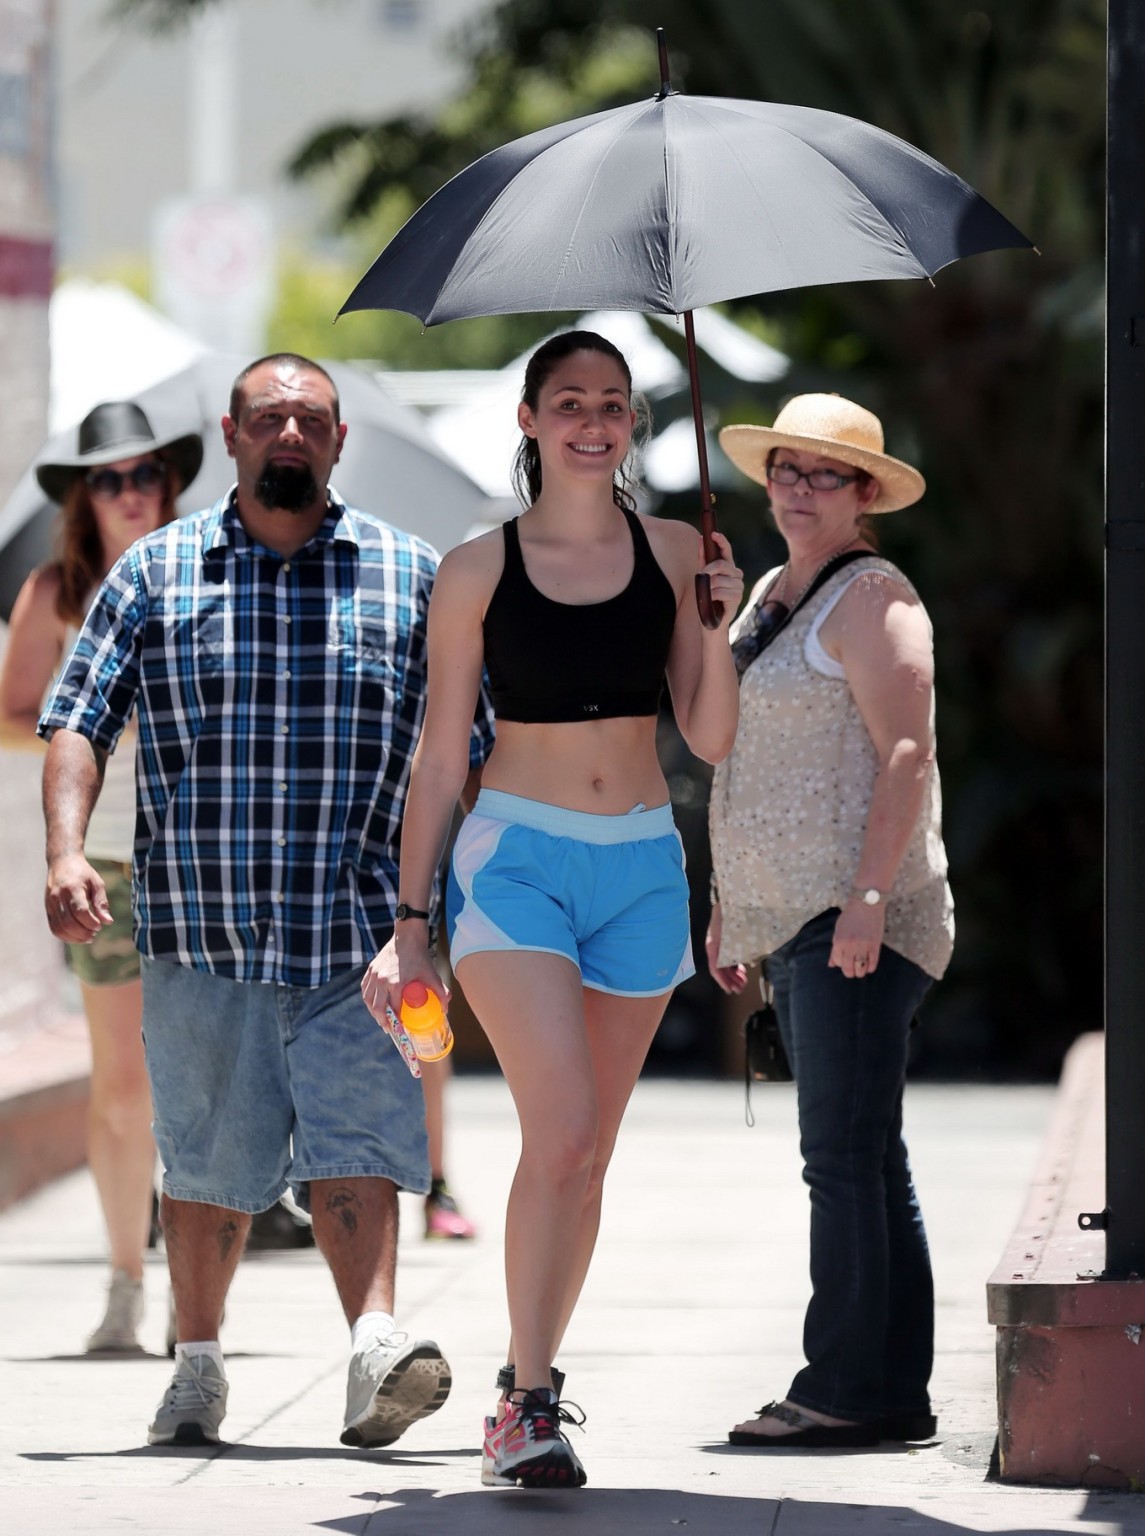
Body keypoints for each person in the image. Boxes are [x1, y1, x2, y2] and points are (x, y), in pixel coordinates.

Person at [38, 353, 494, 1449]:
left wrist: (436, 905)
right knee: (202, 1161)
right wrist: (64, 851)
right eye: (269, 417)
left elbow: (464, 746)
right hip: (202, 925)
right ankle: (196, 1365)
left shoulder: (410, 574)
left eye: (311, 419)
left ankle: (374, 1348)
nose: (290, 432)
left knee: (362, 1146)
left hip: (360, 934)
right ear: (234, 438)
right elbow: (76, 722)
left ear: (339, 443)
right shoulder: (156, 572)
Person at [362, 329, 743, 1489]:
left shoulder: (681, 549)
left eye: (614, 403)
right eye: (569, 401)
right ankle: (528, 1408)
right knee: (562, 1133)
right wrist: (411, 920)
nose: (594, 420)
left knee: (586, 1160)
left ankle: (521, 1387)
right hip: (515, 860)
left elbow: (711, 736)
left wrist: (718, 622)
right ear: (529, 419)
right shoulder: (475, 568)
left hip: (637, 864)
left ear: (632, 424)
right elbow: (437, 762)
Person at [707, 393, 954, 1449]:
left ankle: (841, 1387)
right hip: (792, 917)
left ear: (864, 495)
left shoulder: (875, 597)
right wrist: (731, 905)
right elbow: (737, 749)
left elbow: (905, 752)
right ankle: (886, 1390)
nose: (799, 489)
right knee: (866, 1154)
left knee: (840, 1157)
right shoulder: (768, 591)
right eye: (786, 470)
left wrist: (862, 899)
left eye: (824, 474)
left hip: (858, 916)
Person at [0, 402, 202, 1353]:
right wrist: (79, 720)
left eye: (147, 474)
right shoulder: (56, 590)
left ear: (171, 484)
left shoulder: (214, 574)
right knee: (123, 1085)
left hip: (210, 854)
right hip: (108, 859)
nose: (130, 493)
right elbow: (8, 714)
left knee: (205, 1081)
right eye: (110, 478)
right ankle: (128, 1281)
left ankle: (196, 1297)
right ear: (86, 495)